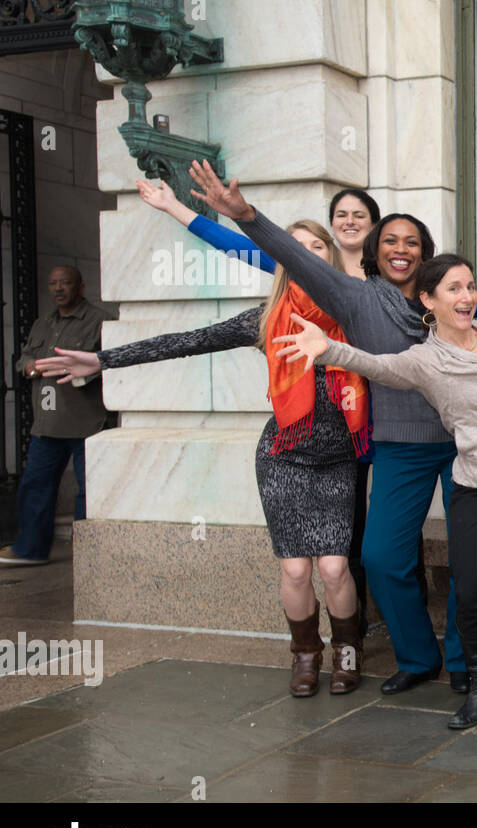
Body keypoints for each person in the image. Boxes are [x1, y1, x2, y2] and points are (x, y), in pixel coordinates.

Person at [35, 224, 370, 697]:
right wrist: (102, 361)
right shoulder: (267, 318)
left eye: (317, 247)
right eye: (295, 247)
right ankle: (306, 654)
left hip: (337, 460)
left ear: (329, 258)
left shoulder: (354, 313)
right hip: (283, 458)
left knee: (335, 568)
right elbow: (186, 341)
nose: (306, 255)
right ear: (282, 260)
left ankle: (348, 650)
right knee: (295, 570)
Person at [132, 180, 451, 669]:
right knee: (355, 552)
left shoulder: (382, 289)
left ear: (370, 231)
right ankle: (355, 638)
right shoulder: (313, 284)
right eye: (339, 213)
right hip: (342, 439)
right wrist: (177, 206)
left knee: (363, 550)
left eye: (358, 216)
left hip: (365, 435)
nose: (348, 221)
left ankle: (377, 636)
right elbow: (248, 244)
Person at [276, 255, 477, 730]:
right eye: (453, 289)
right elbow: (375, 364)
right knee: (471, 591)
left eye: (470, 286)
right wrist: (326, 349)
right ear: (428, 300)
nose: (467, 296)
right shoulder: (425, 359)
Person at [0, 268, 109, 567]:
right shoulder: (42, 322)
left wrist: (77, 371)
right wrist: (30, 366)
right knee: (35, 485)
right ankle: (30, 549)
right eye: (53, 283)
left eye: (66, 283)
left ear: (80, 286)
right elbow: (23, 358)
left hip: (86, 421)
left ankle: (89, 553)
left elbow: (111, 364)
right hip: (47, 423)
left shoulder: (99, 320)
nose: (58, 288)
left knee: (89, 490)